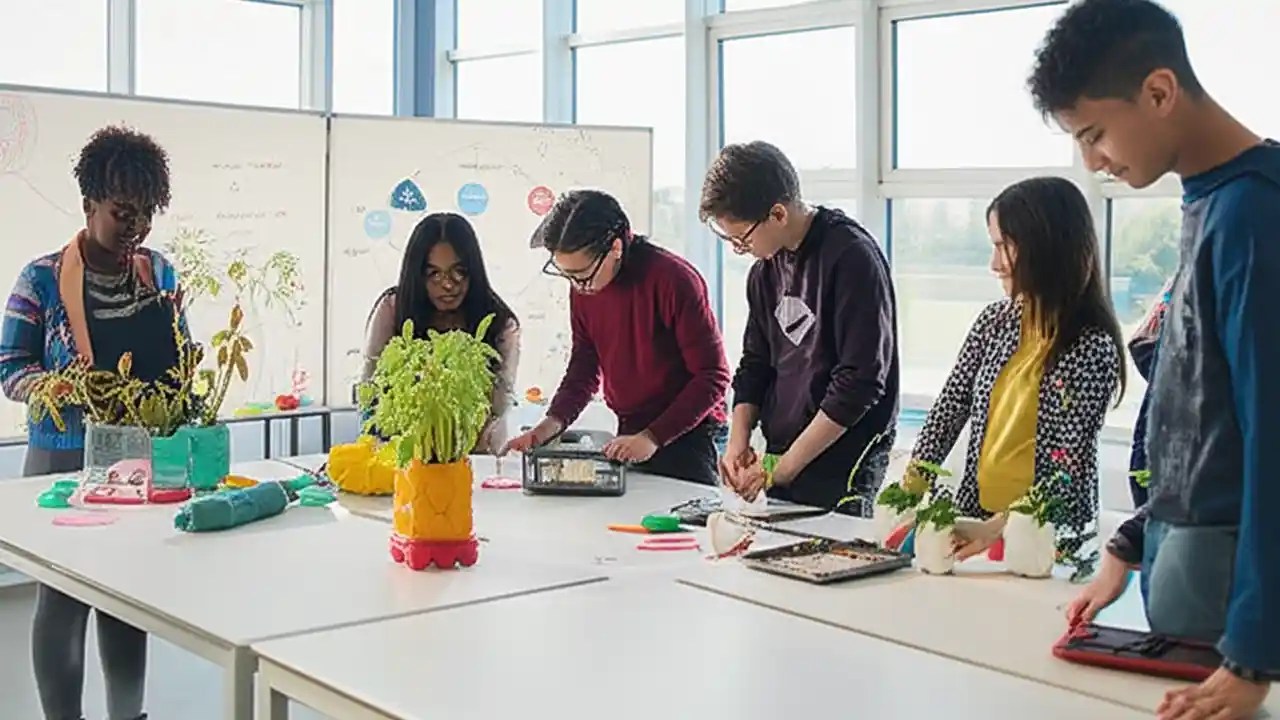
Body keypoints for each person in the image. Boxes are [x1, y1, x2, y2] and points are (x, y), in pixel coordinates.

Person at [1033, 1, 1280, 716]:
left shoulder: (1255, 216)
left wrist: (1253, 654)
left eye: (1094, 134)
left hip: (1237, 617)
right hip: (1193, 586)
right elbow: (1200, 419)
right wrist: (1130, 544)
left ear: (1160, 92)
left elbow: (1271, 438)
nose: (1092, 162)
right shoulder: (1209, 201)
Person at [0, 125, 185, 720]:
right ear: (88, 204)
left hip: (133, 460)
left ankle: (128, 716)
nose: (135, 227)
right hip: (60, 459)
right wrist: (53, 387)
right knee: (62, 599)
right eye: (122, 212)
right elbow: (9, 366)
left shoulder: (159, 273)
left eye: (145, 215)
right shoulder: (41, 278)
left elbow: (180, 357)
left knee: (126, 599)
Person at [901, 176, 1125, 560]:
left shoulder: (1090, 348)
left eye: (1004, 246)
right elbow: (949, 409)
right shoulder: (994, 322)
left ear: (1044, 246)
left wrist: (999, 529)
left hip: (1048, 540)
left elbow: (1065, 470)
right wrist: (907, 493)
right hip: (977, 520)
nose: (994, 264)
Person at [702, 141, 900, 515]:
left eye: (742, 239)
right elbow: (755, 364)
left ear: (777, 214)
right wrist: (737, 442)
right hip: (785, 456)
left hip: (844, 459)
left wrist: (783, 470)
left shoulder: (851, 257)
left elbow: (859, 383)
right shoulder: (764, 273)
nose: (739, 250)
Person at [501, 189, 729, 485]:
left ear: (616, 248)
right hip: (631, 430)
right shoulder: (585, 287)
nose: (578, 286)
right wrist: (547, 427)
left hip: (688, 432)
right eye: (569, 276)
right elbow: (584, 368)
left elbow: (713, 375)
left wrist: (653, 437)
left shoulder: (674, 279)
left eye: (582, 274)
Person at [363, 212, 520, 454]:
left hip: (477, 455)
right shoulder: (394, 309)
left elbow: (499, 404)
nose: (447, 285)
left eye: (459, 272)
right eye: (434, 274)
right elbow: (370, 388)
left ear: (474, 271)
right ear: (417, 275)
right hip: (403, 454)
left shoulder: (499, 324)